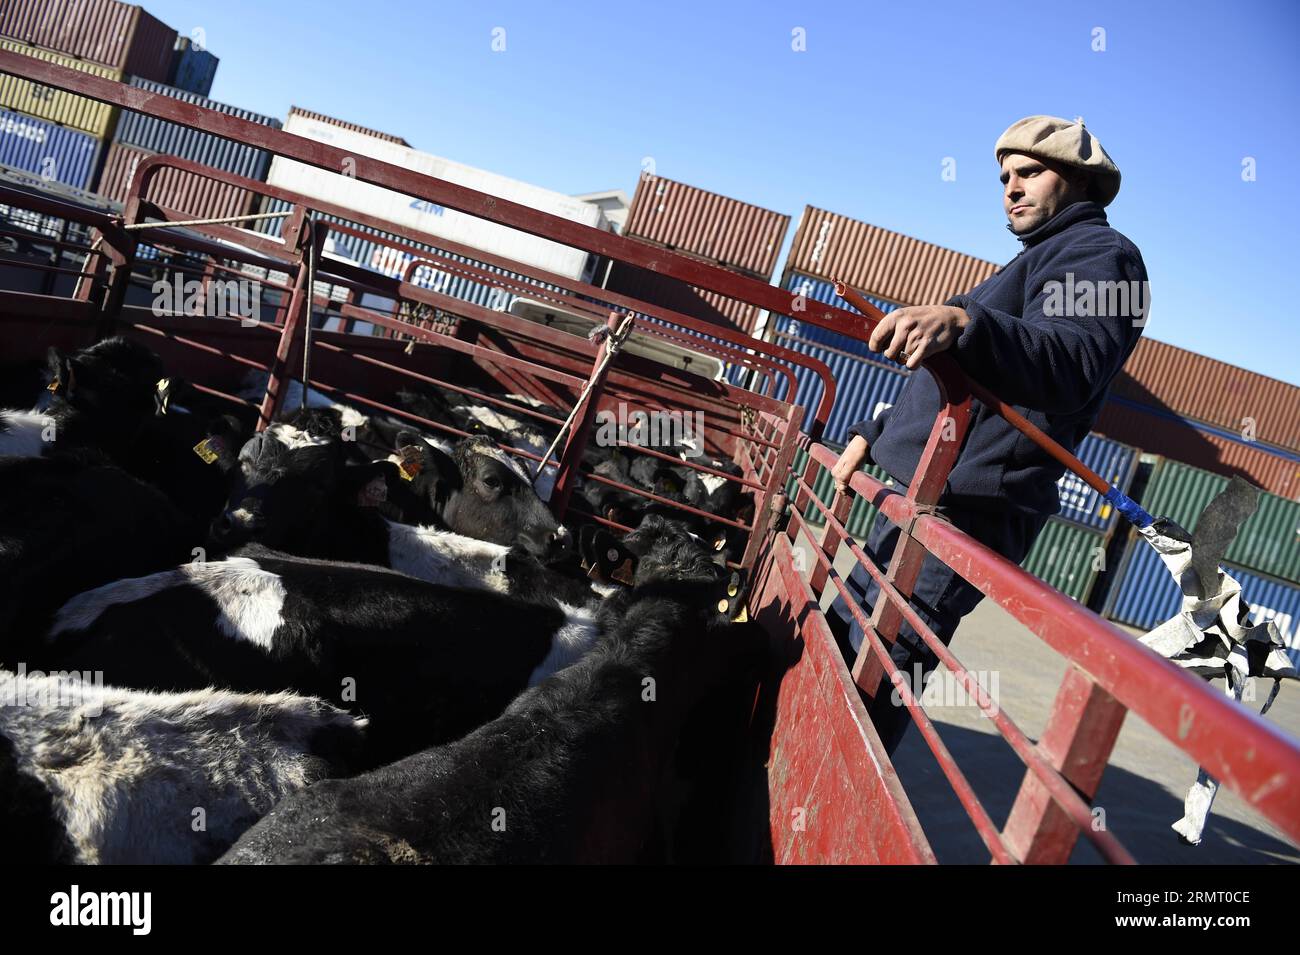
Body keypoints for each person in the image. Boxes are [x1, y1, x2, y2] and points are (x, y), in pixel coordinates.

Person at [825, 115, 1149, 754]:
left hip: (966, 514)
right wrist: (876, 428)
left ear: (1080, 180)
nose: (1011, 188)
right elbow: (963, 388)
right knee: (844, 644)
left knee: (880, 668)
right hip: (922, 498)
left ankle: (831, 813)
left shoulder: (1101, 257)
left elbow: (1070, 360)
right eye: (1005, 177)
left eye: (1030, 172)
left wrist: (964, 322)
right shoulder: (1032, 264)